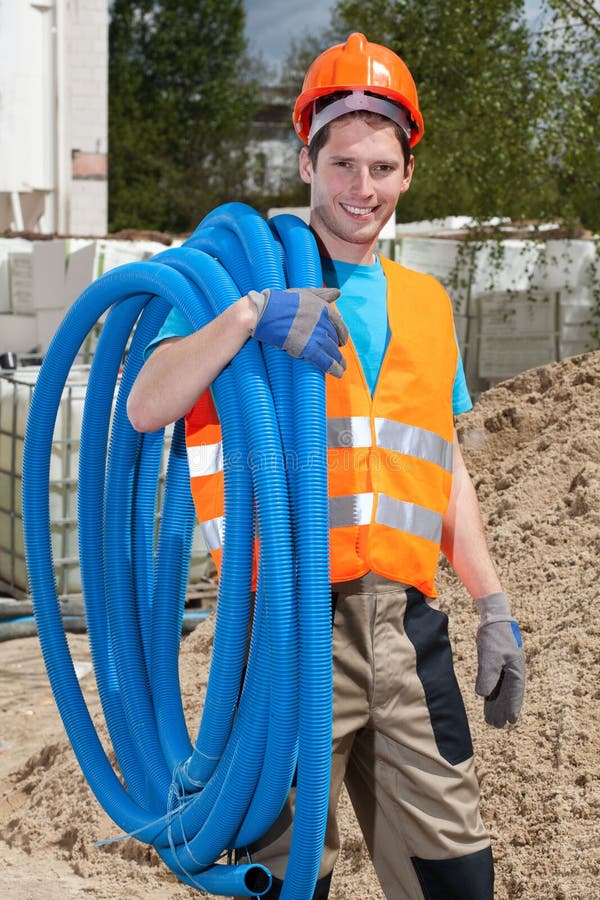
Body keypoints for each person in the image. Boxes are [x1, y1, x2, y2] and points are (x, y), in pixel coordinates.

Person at [127, 32, 526, 900]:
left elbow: (443, 467)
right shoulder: (237, 277)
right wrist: (247, 318)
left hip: (407, 628)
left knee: (457, 875)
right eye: (342, 164)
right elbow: (146, 404)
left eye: (382, 168)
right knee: (282, 878)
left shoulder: (427, 304)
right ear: (307, 162)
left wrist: (492, 604)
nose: (361, 188)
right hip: (281, 630)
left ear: (408, 173)